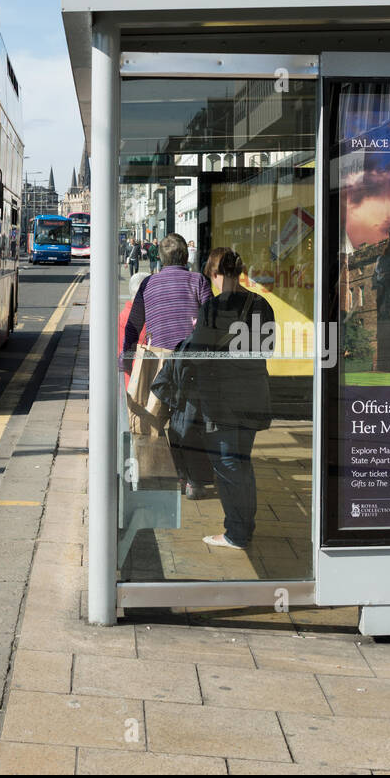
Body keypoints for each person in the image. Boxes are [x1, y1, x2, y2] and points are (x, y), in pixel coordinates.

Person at [183, 247, 274, 549]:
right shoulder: (261, 304)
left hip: (222, 399)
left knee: (228, 465)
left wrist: (200, 333)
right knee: (241, 463)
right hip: (253, 395)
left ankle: (237, 532)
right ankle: (242, 528)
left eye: (213, 275)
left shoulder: (212, 308)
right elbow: (267, 349)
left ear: (215, 273)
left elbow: (197, 357)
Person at [121, 233, 215, 498]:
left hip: (159, 365)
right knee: (188, 421)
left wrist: (127, 356)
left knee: (156, 419)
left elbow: (133, 325)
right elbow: (212, 321)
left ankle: (164, 474)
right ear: (186, 257)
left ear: (160, 259)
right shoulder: (198, 281)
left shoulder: (148, 284)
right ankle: (192, 480)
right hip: (193, 363)